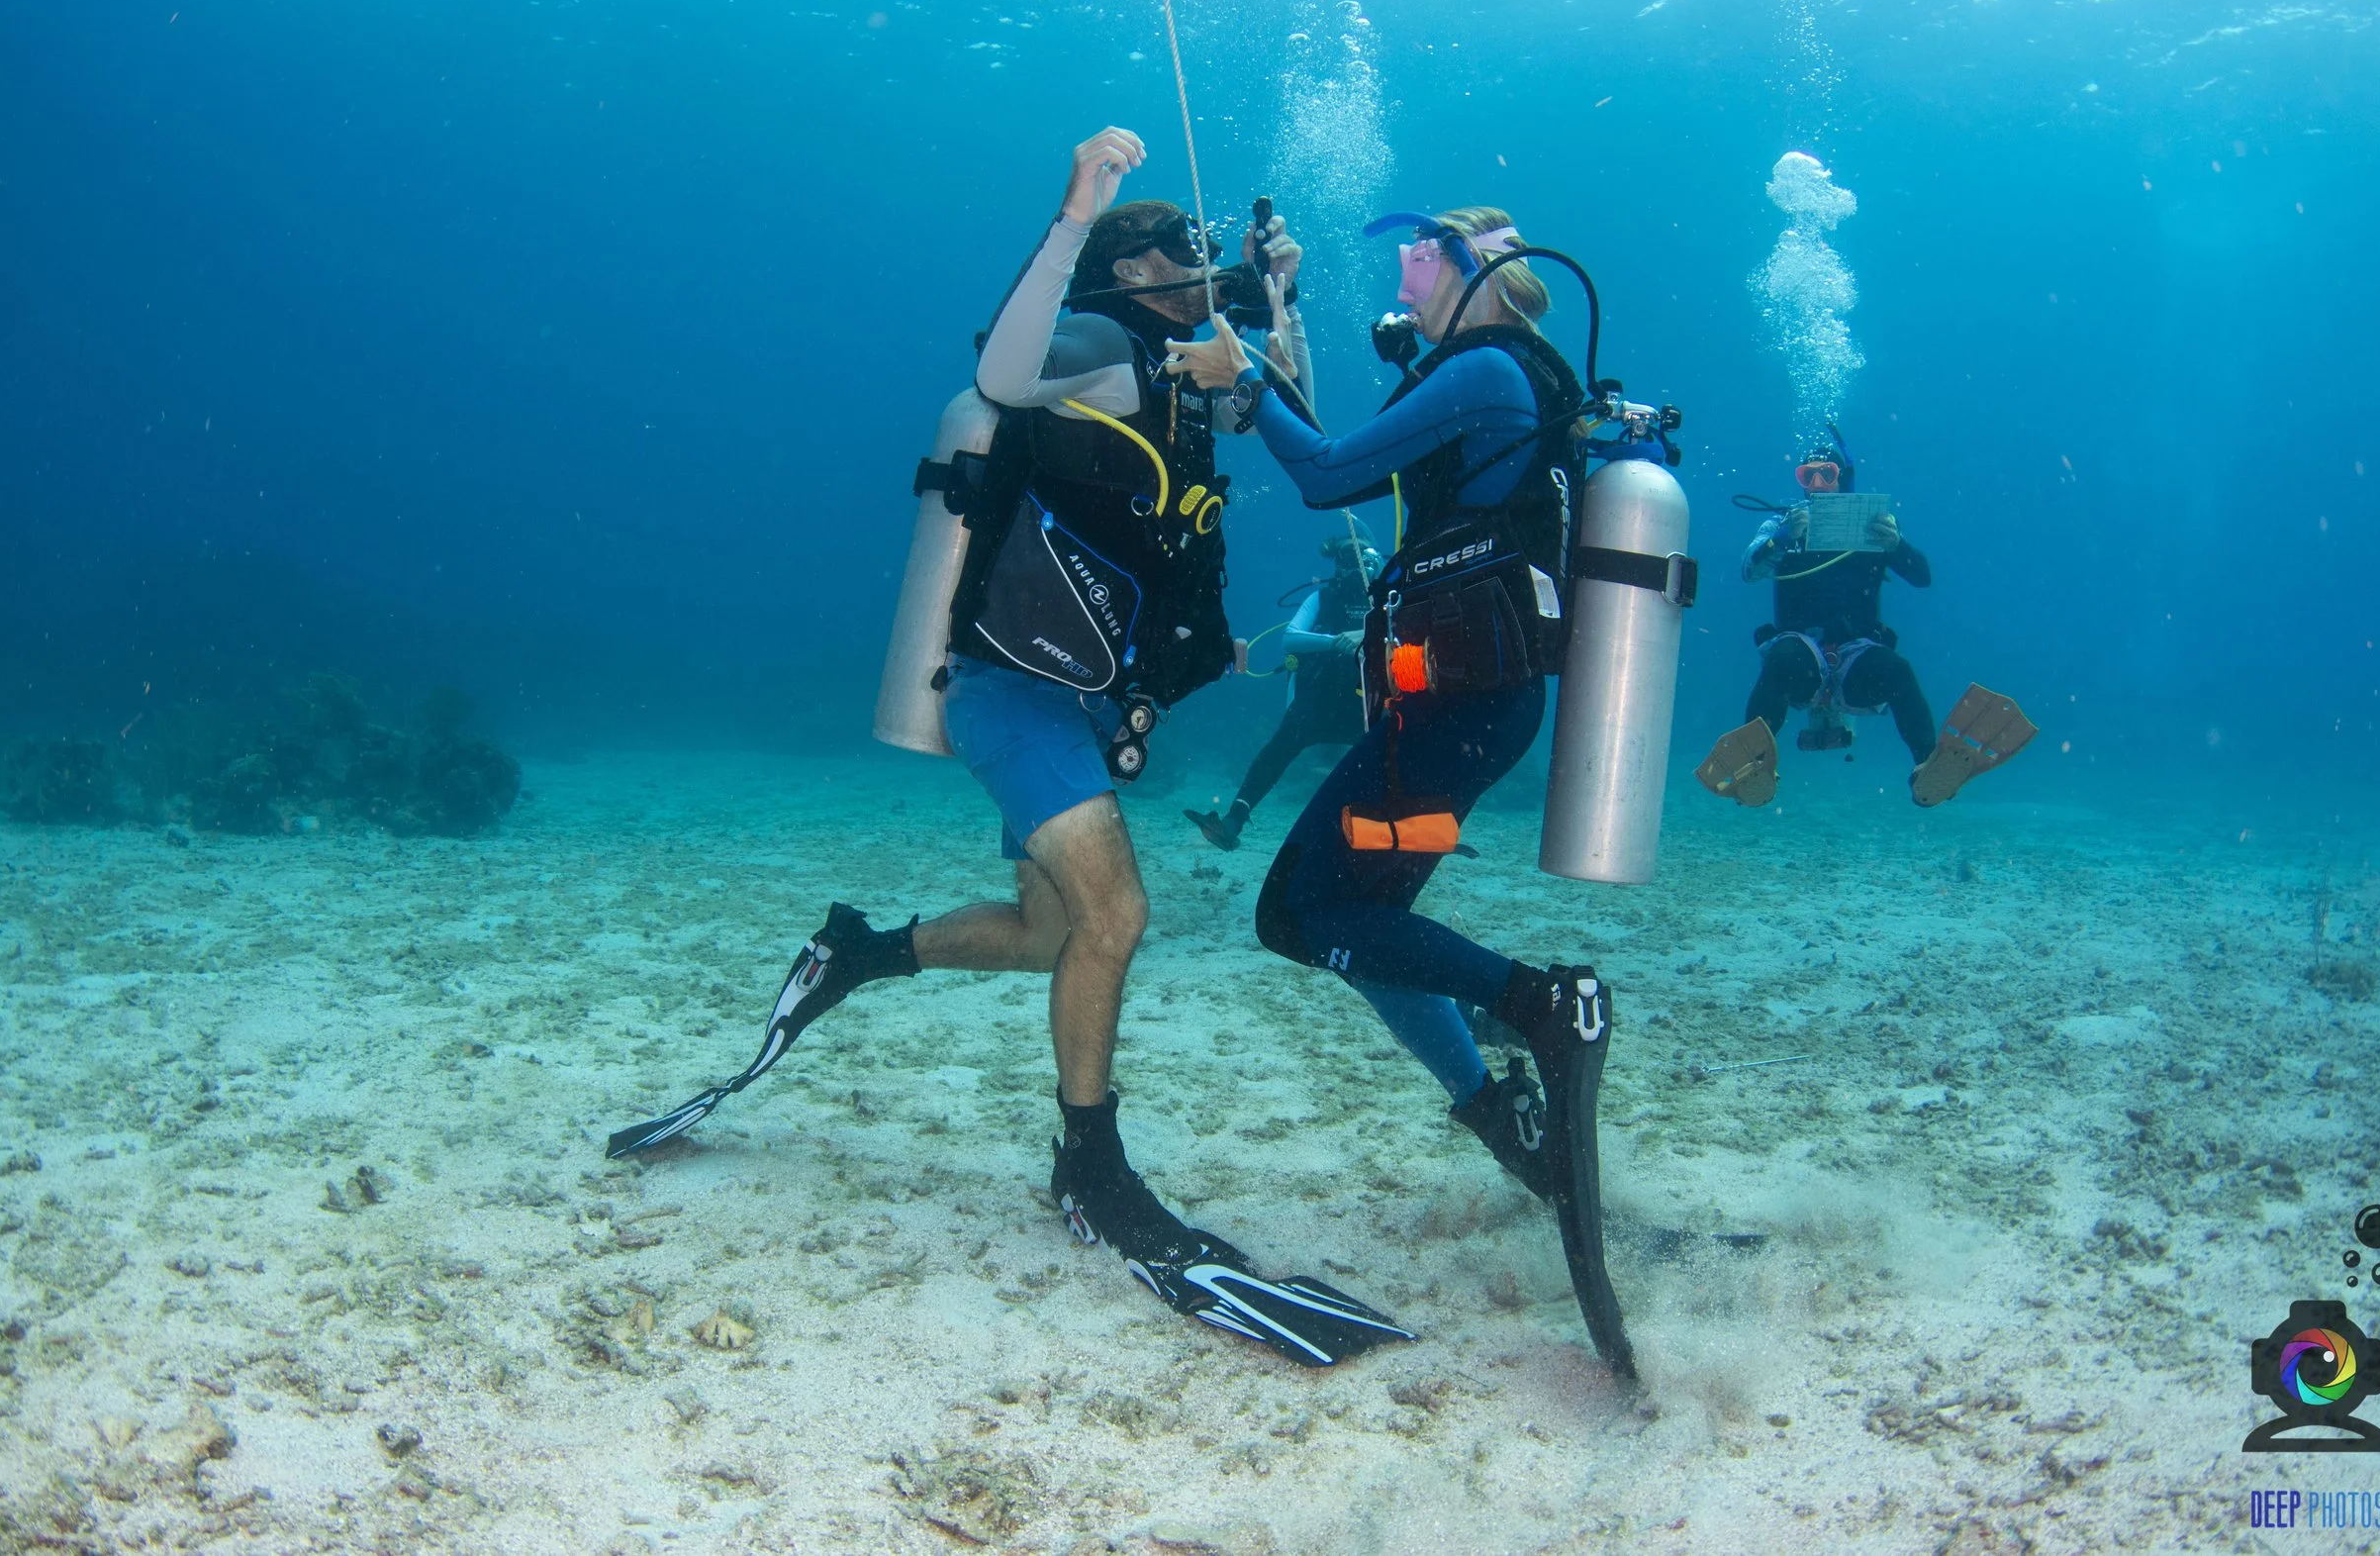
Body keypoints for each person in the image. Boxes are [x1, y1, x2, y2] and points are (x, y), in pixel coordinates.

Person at [610, 130, 1416, 1369]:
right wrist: (1075, 209)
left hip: (1087, 703)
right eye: (1182, 254)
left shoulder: (1189, 363)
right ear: (1133, 267)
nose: (1204, 271)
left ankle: (862, 950)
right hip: (1013, 695)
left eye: (1209, 257)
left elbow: (1293, 415)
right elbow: (1000, 364)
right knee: (1117, 916)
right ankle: (1088, 1163)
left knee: (1051, 932)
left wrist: (1283, 295)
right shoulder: (1096, 346)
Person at [1169, 207, 1635, 1380]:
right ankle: (1507, 1123)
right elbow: (1337, 437)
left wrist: (1242, 381)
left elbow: (1325, 471)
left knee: (1298, 913)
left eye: (1421, 252)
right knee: (1369, 924)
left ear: (1480, 267)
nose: (1404, 269)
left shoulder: (1485, 366)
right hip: (1471, 708)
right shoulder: (1490, 373)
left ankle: (1540, 1001)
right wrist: (1267, 332)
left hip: (1458, 708)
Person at [1697, 438, 2035, 808]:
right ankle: (1755, 769)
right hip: (1799, 648)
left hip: (1859, 653)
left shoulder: (1877, 528)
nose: (1818, 485)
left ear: (1844, 479)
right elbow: (1749, 569)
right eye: (1808, 476)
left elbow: (1922, 576)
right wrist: (1781, 539)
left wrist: (1897, 545)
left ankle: (1927, 766)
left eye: (1827, 474)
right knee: (1781, 661)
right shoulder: (1781, 524)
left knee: (1897, 670)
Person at [1185, 531, 1381, 851]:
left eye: (1363, 559)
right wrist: (1339, 641)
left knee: (1389, 750)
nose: (1358, 567)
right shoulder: (1321, 598)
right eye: (1348, 558)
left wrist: (1366, 633)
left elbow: (1403, 634)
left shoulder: (1382, 601)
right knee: (1278, 748)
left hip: (1363, 704)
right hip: (1318, 702)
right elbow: (1290, 639)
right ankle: (1232, 821)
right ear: (1337, 564)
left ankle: (1395, 823)